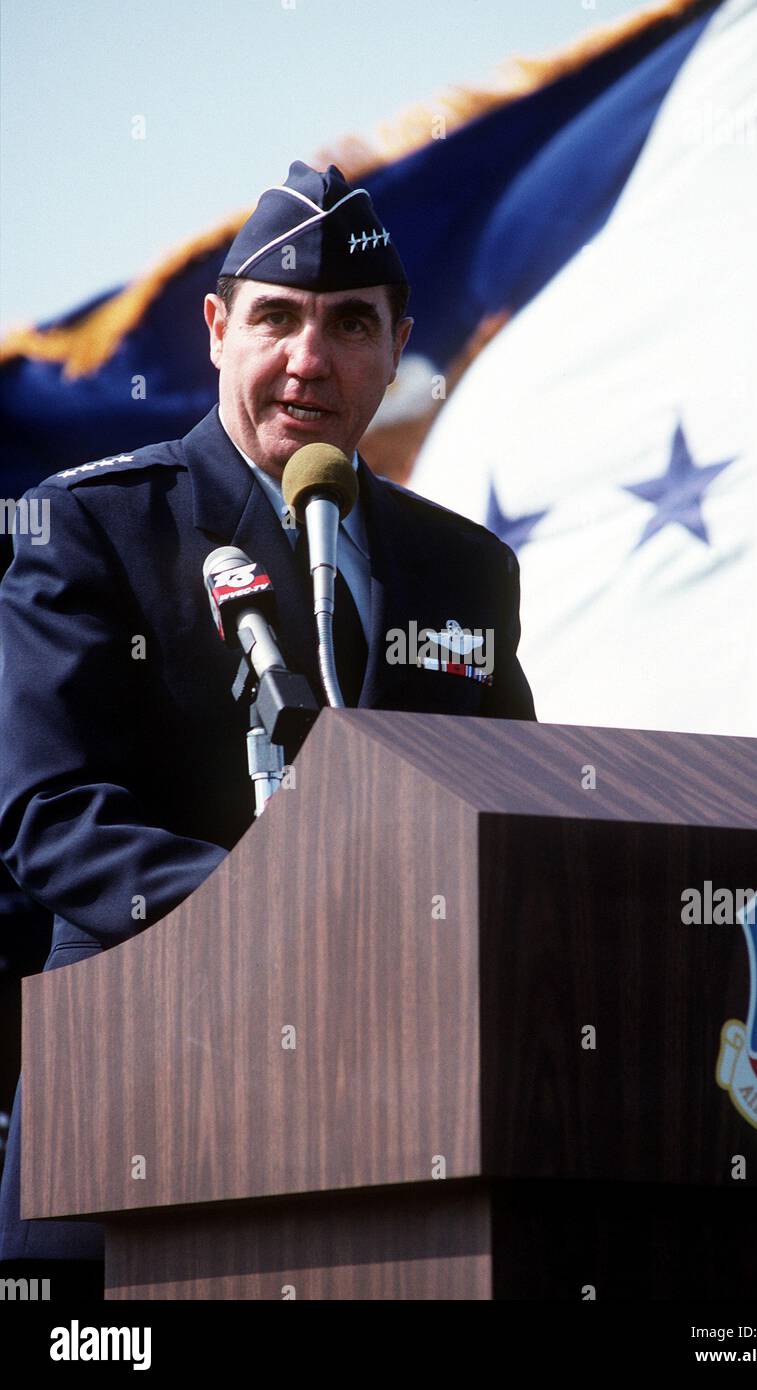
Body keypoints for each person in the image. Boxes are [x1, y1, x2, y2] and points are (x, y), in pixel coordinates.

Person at [0, 160, 535, 1287]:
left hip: (391, 1141)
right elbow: (55, 818)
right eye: (277, 319)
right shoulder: (94, 532)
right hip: (132, 1113)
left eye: (349, 324)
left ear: (396, 347)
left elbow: (511, 824)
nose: (309, 359)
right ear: (215, 329)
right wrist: (296, 928)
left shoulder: (464, 571)